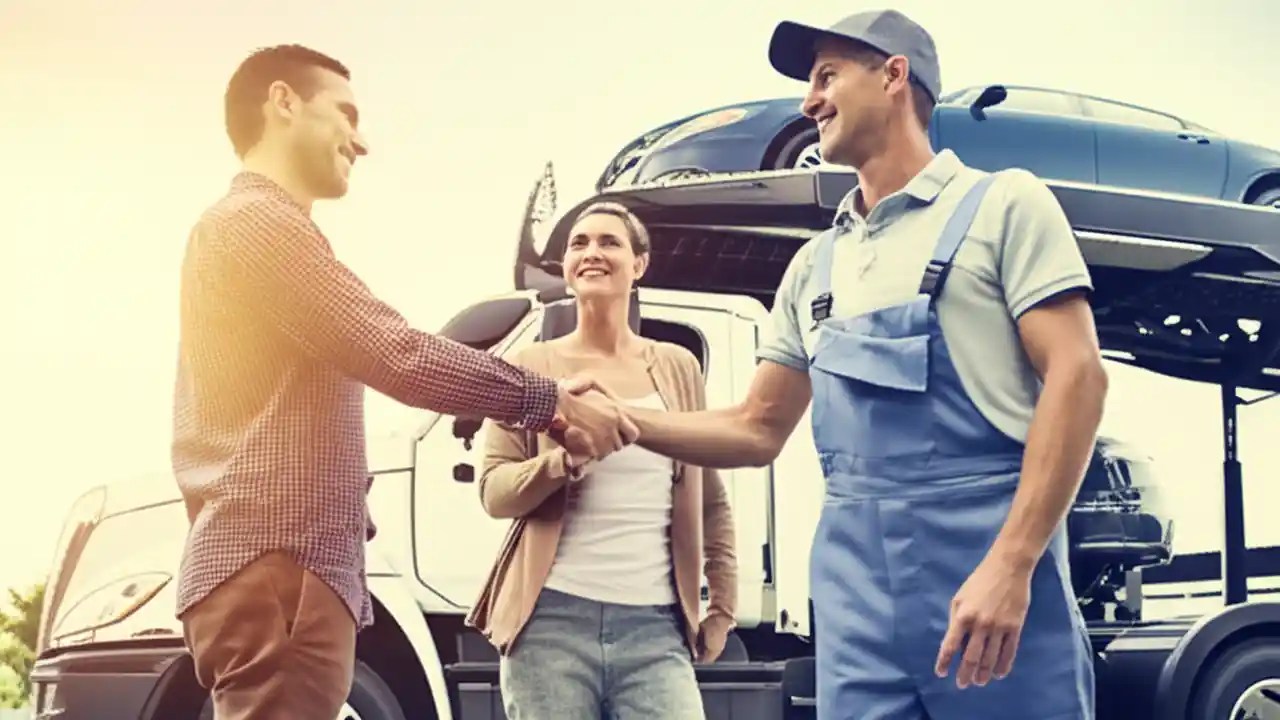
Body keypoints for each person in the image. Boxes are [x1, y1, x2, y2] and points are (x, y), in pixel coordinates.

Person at [571, 10, 1108, 720]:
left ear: (893, 76)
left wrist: (1013, 563)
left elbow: (1078, 375)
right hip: (855, 592)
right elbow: (757, 427)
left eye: (826, 76)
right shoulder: (814, 266)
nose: (809, 102)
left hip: (985, 566)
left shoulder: (1003, 205)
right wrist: (627, 421)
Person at [172, 45, 635, 720]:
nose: (360, 141)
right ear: (283, 103)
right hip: (279, 566)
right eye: (345, 113)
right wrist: (550, 402)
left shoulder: (250, 230)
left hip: (274, 570)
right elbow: (396, 353)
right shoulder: (258, 226)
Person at [465, 201, 738, 719]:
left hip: (656, 628)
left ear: (640, 264)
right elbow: (494, 493)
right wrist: (562, 463)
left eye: (609, 242)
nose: (592, 252)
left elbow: (711, 500)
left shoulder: (678, 368)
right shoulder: (529, 366)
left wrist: (722, 606)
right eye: (579, 243)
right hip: (550, 626)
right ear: (567, 269)